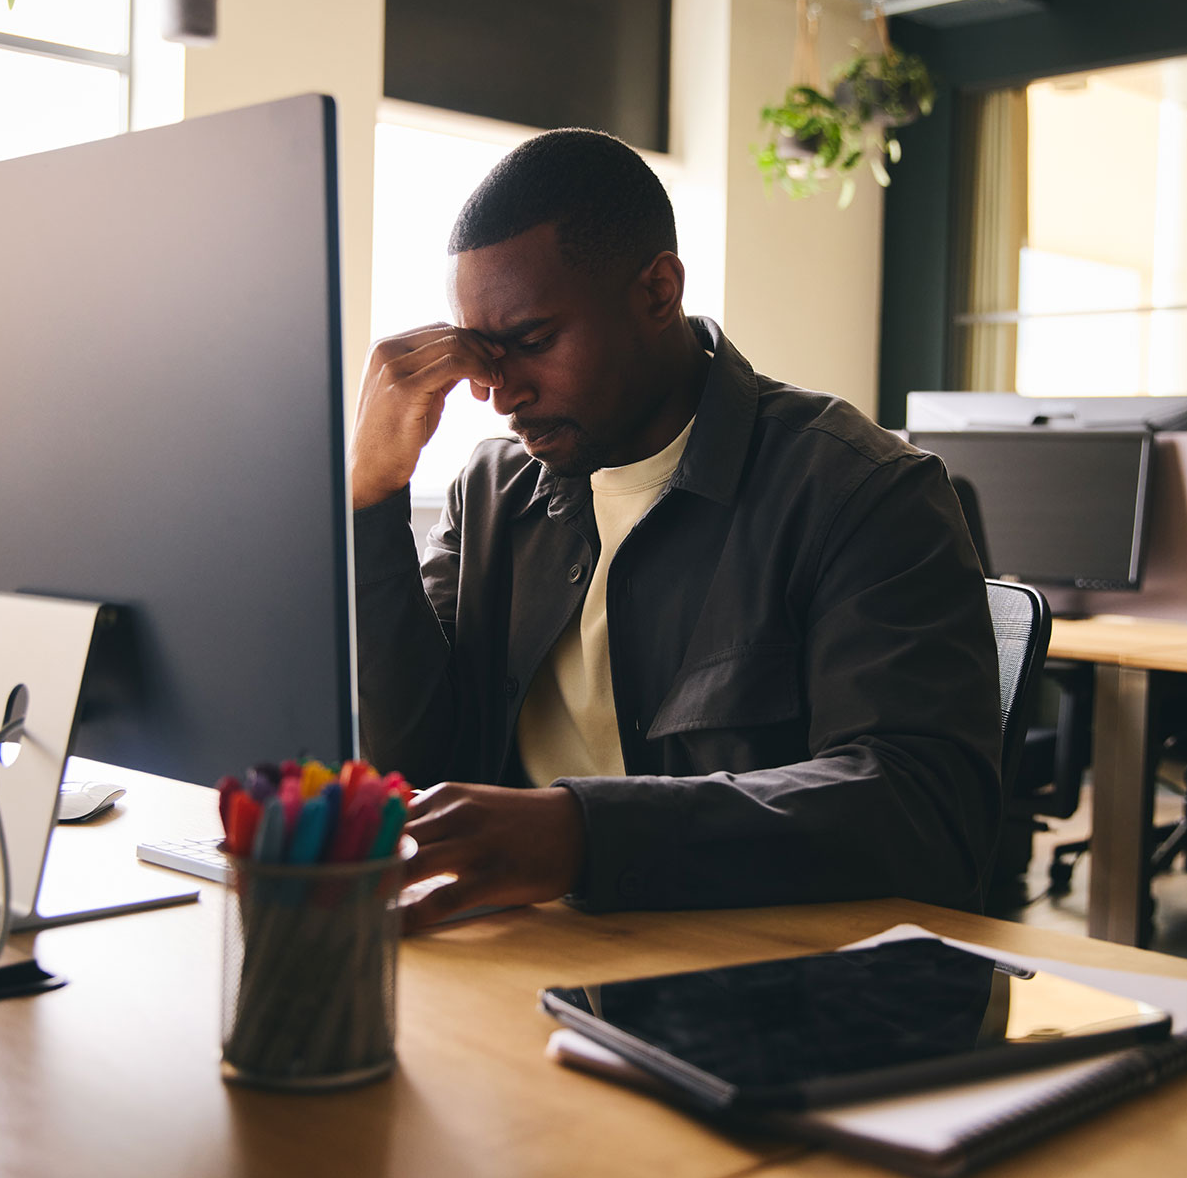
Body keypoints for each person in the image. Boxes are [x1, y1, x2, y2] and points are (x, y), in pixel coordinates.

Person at [351, 129, 1000, 931]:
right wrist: (371, 500)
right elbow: (410, 761)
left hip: (751, 978)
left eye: (532, 342)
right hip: (527, 954)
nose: (500, 393)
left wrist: (583, 834)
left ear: (658, 291)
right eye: (484, 355)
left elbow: (926, 811)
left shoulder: (857, 490)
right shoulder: (491, 495)